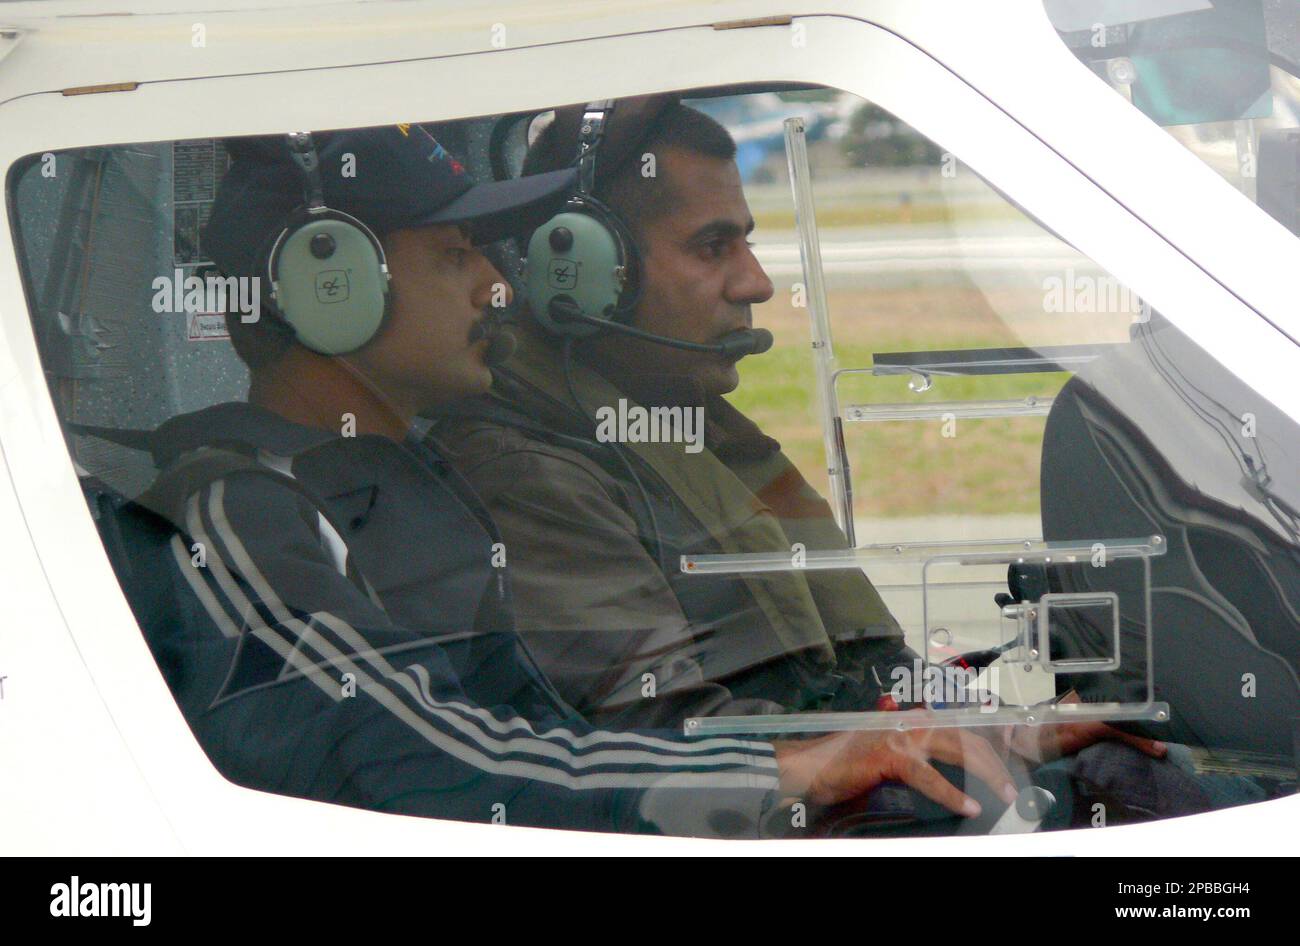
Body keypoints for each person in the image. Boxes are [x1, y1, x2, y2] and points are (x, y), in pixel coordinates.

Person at [116, 123, 1021, 837]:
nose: (496, 291)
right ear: (332, 288)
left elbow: (565, 736)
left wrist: (957, 735)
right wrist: (786, 774)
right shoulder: (238, 506)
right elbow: (428, 758)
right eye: (456, 255)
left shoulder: (417, 477)